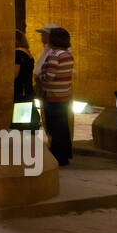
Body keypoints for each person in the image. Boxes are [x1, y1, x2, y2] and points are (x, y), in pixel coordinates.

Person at [37, 26, 75, 166]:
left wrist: (41, 77)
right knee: (62, 126)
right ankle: (65, 155)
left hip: (53, 96)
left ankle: (57, 156)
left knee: (54, 128)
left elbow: (50, 76)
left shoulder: (54, 55)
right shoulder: (67, 54)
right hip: (64, 95)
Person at [14, 31, 35, 103]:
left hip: (20, 91)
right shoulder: (27, 53)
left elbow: (15, 74)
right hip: (27, 89)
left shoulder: (18, 53)